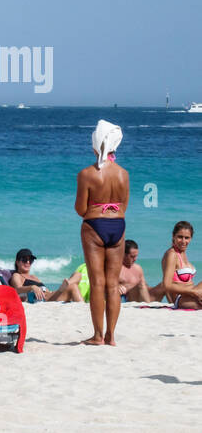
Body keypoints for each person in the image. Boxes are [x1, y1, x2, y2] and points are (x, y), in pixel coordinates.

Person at [75, 120, 129, 344]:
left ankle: (97, 336)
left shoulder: (87, 174)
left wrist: (97, 210)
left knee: (97, 282)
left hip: (94, 227)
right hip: (118, 226)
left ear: (95, 145)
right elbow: (124, 206)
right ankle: (111, 336)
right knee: (113, 283)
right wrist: (110, 209)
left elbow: (80, 209)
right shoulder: (123, 174)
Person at [149, 221, 201, 308]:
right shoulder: (172, 254)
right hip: (181, 299)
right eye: (180, 237)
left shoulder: (182, 253)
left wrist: (194, 292)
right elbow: (166, 285)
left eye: (187, 238)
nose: (183, 241)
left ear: (191, 238)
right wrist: (192, 292)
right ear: (174, 236)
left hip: (191, 294)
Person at [9, 248, 82, 303]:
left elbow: (46, 290)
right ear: (17, 262)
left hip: (50, 294)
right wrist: (32, 287)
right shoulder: (17, 275)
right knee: (73, 287)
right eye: (24, 260)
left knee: (78, 274)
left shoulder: (34, 277)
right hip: (45, 299)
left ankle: (67, 284)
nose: (28, 262)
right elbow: (17, 290)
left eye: (30, 260)